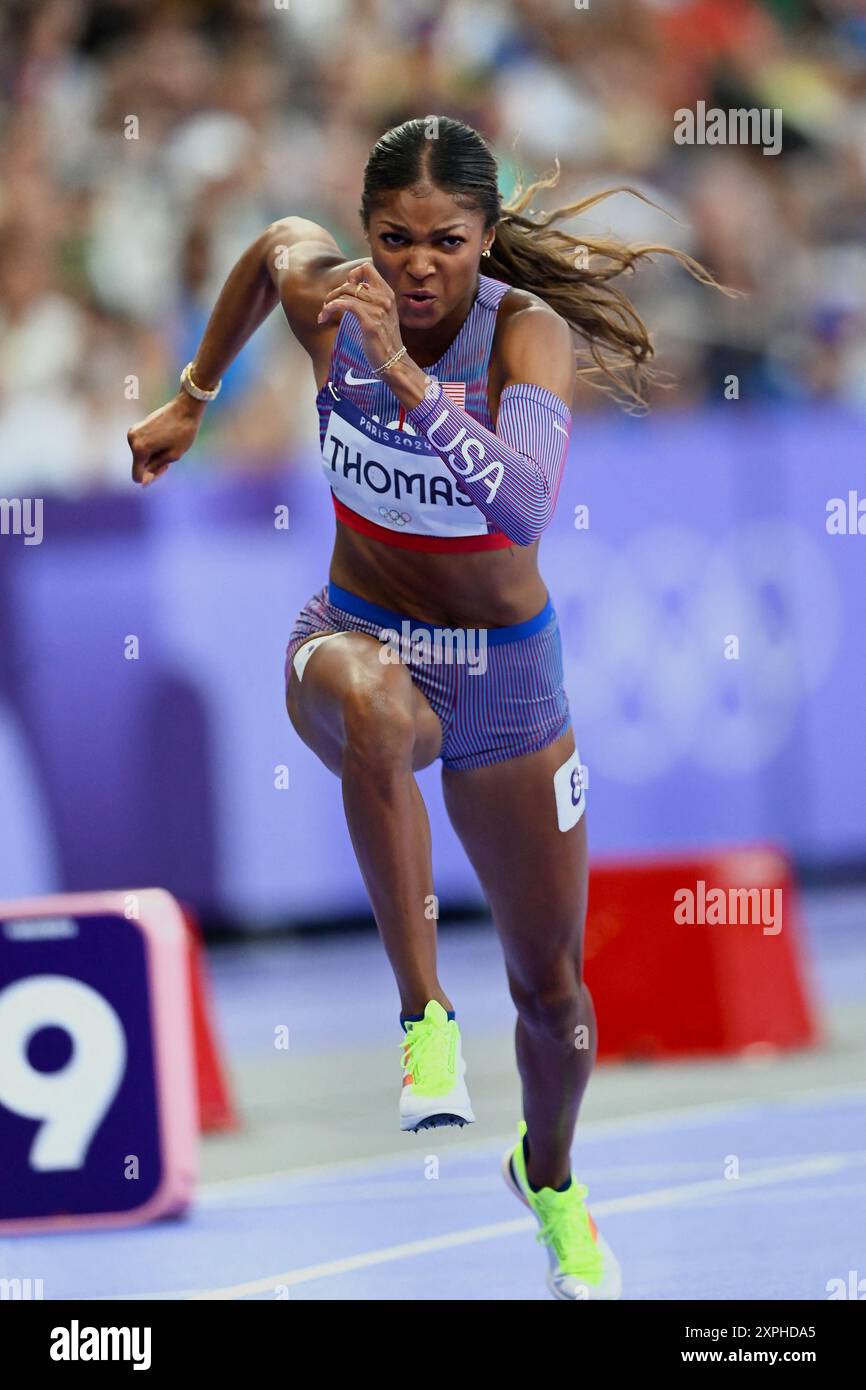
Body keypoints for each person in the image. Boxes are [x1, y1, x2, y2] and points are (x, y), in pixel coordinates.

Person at [127, 115, 718, 1301]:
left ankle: (547, 1177)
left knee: (553, 995)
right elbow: (265, 251)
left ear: (485, 237)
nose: (415, 266)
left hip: (506, 675)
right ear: (367, 233)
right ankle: (422, 1018)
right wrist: (194, 394)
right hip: (356, 633)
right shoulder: (326, 299)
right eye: (392, 238)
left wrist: (406, 381)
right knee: (379, 710)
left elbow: (524, 507)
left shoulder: (525, 338)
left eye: (446, 241)